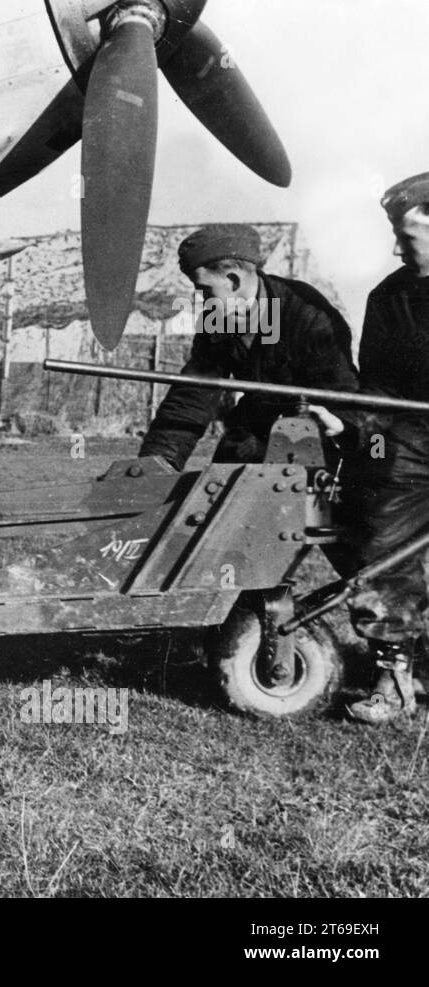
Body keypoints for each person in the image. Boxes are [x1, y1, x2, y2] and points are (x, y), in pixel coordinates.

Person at [139, 224, 360, 472]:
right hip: (252, 430)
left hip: (315, 435)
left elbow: (343, 400)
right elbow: (194, 395)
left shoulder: (309, 315)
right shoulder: (216, 320)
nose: (201, 299)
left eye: (204, 290)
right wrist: (156, 462)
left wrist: (279, 442)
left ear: (233, 281)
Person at [337, 173, 429, 725]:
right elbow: (377, 393)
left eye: (406, 235)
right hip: (411, 444)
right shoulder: (390, 297)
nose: (395, 248)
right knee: (385, 556)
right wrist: (371, 452)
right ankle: (393, 683)